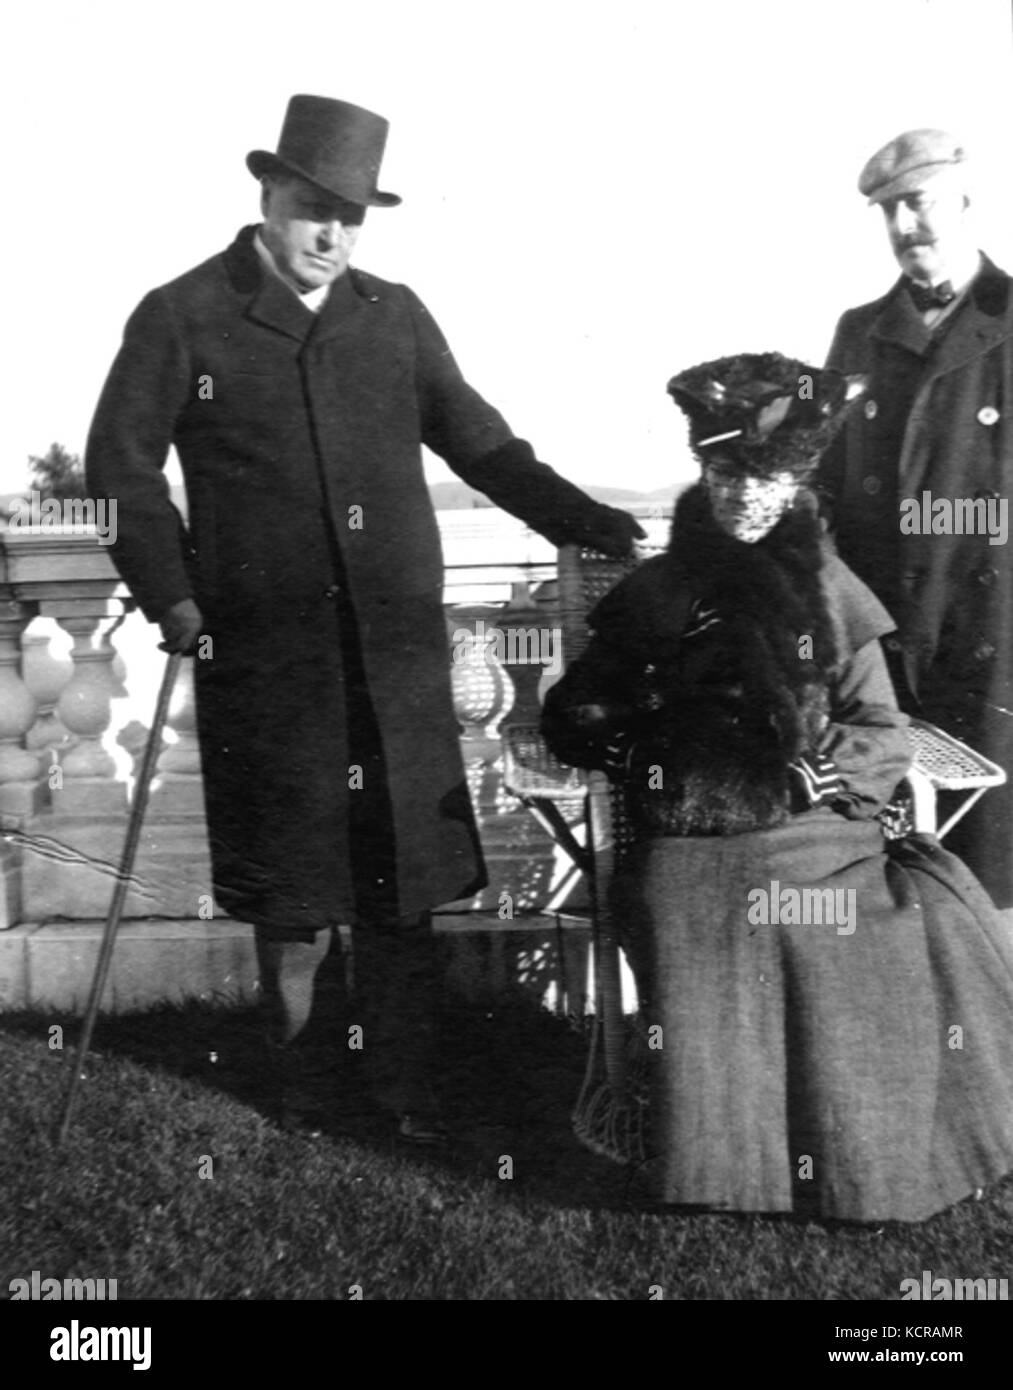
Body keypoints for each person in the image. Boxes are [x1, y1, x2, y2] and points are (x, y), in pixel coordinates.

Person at [85, 94, 643, 1141]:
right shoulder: (183, 313)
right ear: (268, 193)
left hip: (392, 653)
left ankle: (408, 1086)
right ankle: (303, 1088)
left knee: (401, 880)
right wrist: (174, 597)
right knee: (290, 884)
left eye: (352, 216)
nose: (333, 235)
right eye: (314, 209)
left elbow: (481, 446)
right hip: (266, 652)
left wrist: (587, 522)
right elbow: (118, 468)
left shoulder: (391, 315)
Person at [541, 353, 1013, 1222]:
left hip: (818, 836)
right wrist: (660, 740)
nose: (745, 496)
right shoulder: (658, 590)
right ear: (702, 469)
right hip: (690, 841)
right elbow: (577, 715)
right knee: (704, 917)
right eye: (726, 472)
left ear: (799, 480)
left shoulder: (834, 593)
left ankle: (859, 1170)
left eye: (768, 477)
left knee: (861, 941)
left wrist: (816, 770)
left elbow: (880, 729)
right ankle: (730, 1171)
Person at [819, 128, 1013, 908]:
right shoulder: (857, 333)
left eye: (918, 204)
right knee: (894, 869)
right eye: (888, 211)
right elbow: (822, 487)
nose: (904, 228)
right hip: (890, 637)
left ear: (965, 204)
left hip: (995, 633)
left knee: (996, 866)